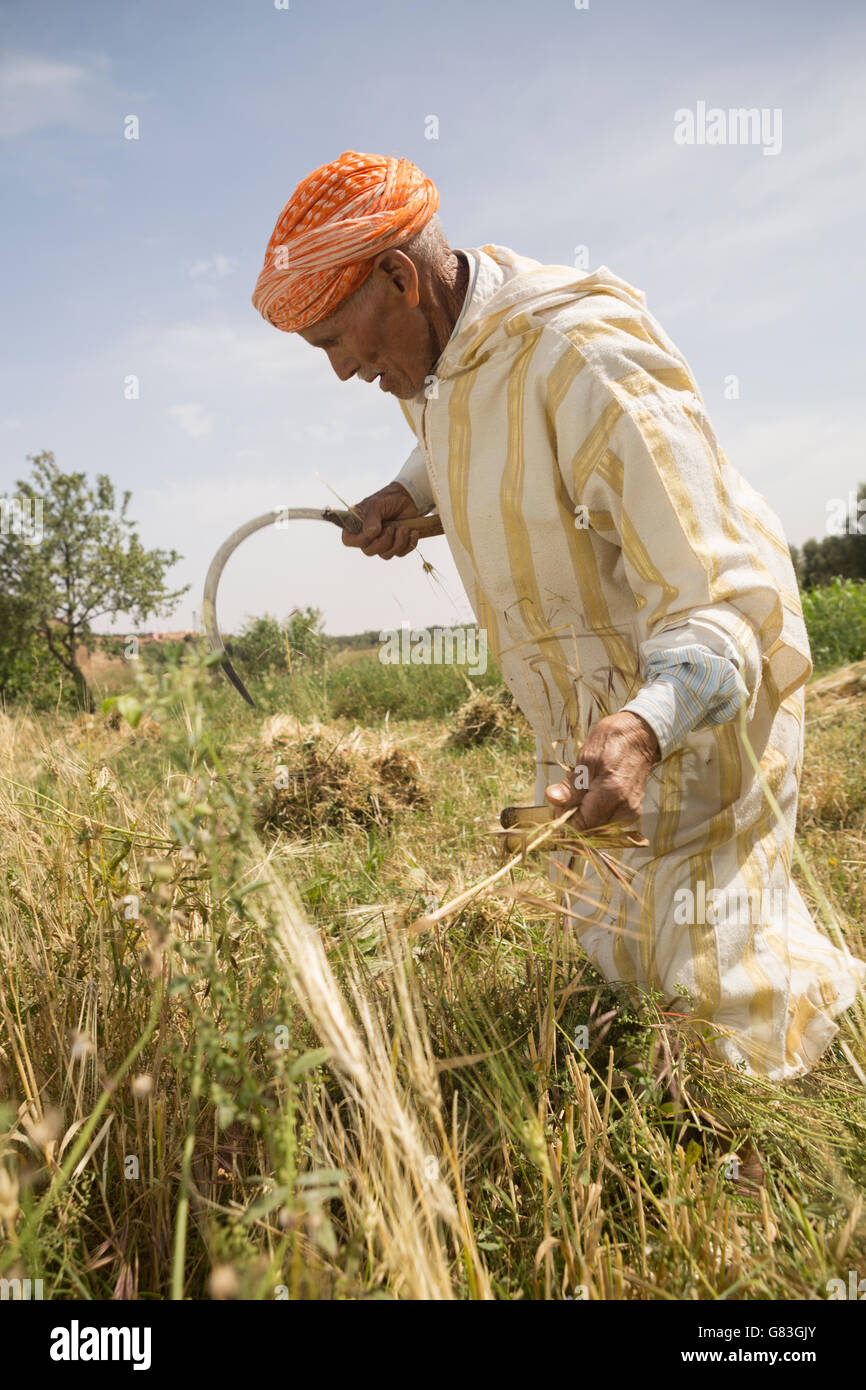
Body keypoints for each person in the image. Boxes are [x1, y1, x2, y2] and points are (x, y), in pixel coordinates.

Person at [252, 149, 865, 1082]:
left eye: (336, 340)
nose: (341, 371)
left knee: (720, 1016)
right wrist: (412, 495)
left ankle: (801, 1146)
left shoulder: (585, 357)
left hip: (692, 718)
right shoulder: (450, 358)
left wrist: (647, 727)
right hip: (597, 732)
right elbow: (478, 433)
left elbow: (727, 595)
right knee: (622, 978)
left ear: (398, 276)